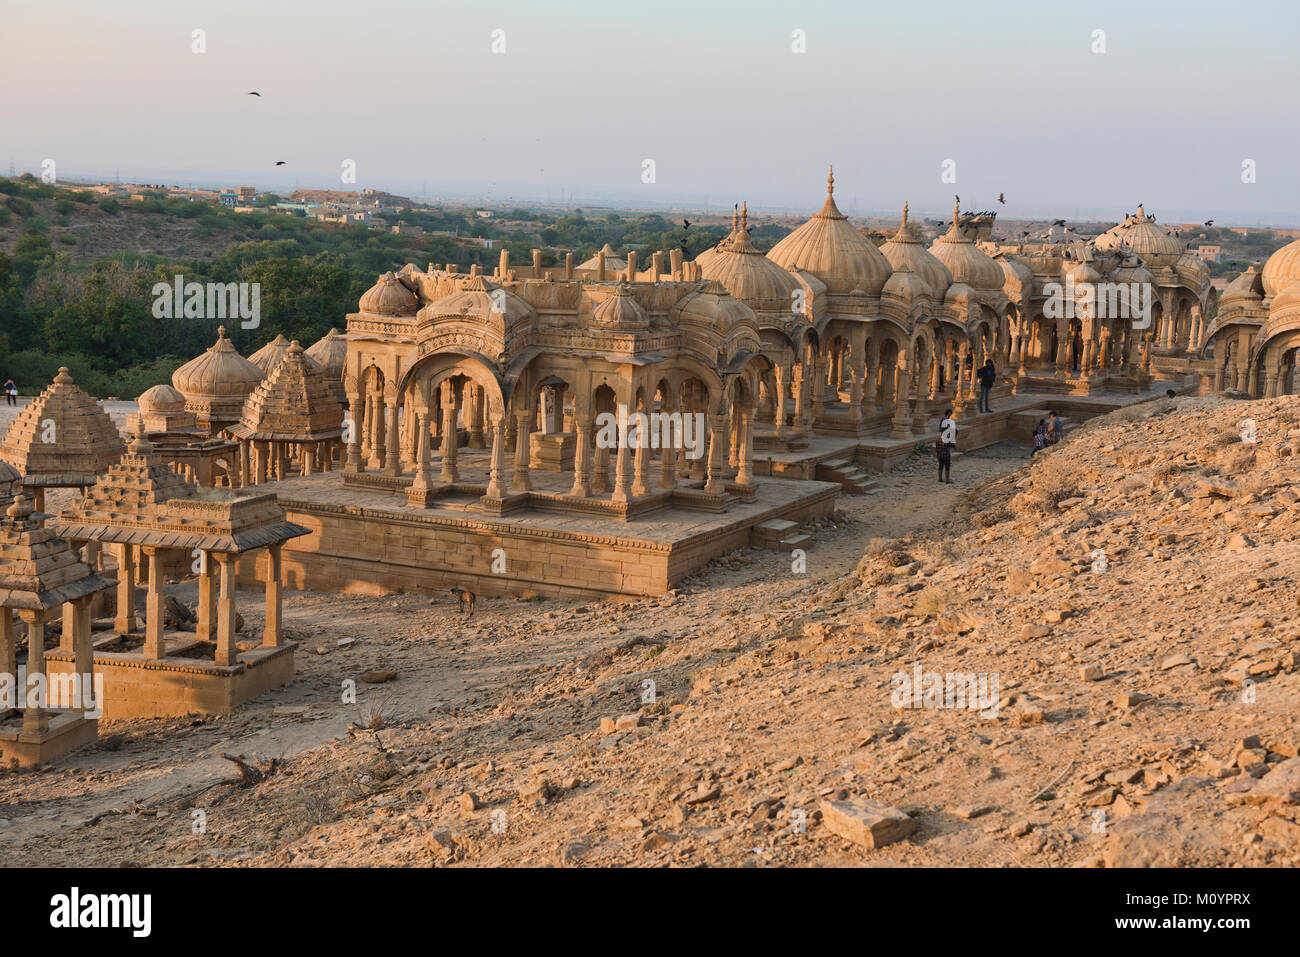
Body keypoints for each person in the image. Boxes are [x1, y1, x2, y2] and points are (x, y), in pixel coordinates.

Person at [936, 408, 956, 483]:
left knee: (940, 466)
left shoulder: (938, 440)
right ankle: (947, 480)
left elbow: (936, 449)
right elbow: (952, 445)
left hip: (940, 455)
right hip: (946, 455)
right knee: (947, 467)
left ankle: (940, 479)